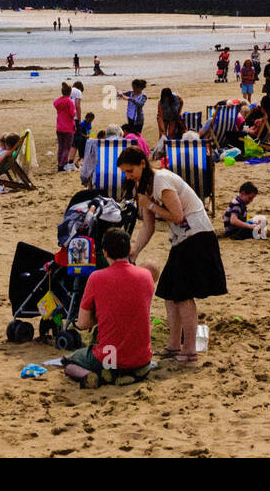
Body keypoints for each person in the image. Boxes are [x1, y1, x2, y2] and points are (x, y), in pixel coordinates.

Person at [125, 147, 227, 363]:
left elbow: (178, 216)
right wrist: (134, 253)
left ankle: (189, 350)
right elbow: (148, 227)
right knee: (169, 293)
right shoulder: (142, 187)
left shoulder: (161, 180)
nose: (128, 175)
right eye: (125, 172)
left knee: (183, 295)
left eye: (130, 170)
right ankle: (173, 345)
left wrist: (151, 204)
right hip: (182, 239)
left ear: (143, 164)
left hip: (197, 236)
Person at [62, 229, 158, 388]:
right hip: (141, 357)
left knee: (70, 362)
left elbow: (82, 323)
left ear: (104, 252)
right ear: (129, 250)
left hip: (110, 356)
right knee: (130, 358)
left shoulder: (96, 278)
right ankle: (132, 373)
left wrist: (97, 317)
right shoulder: (146, 276)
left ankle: (97, 376)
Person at [54, 82, 78, 173]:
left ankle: (59, 163)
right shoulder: (69, 101)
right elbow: (72, 113)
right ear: (70, 92)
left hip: (59, 126)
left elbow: (55, 104)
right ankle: (62, 165)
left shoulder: (58, 101)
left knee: (61, 146)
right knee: (66, 148)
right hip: (68, 127)